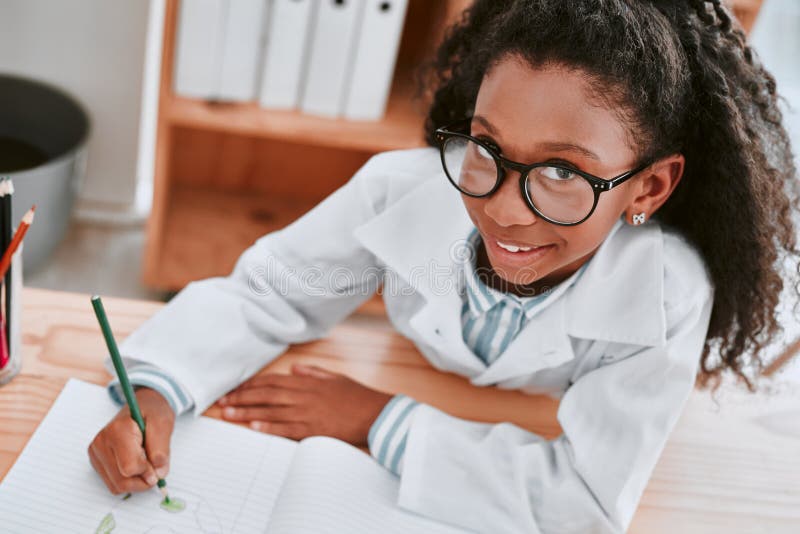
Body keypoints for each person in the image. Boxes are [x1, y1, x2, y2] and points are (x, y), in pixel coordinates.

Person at [88, 1, 799, 532]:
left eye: (560, 171)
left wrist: (380, 421)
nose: (506, 210)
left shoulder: (668, 293)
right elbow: (267, 295)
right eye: (487, 146)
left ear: (647, 187)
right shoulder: (402, 189)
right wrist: (153, 392)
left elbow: (583, 497)